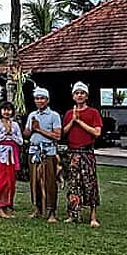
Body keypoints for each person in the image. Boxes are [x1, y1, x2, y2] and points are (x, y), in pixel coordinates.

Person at [62, 81, 103, 227]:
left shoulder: (93, 113)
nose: (79, 95)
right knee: (73, 185)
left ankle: (93, 216)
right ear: (73, 96)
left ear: (86, 96)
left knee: (90, 184)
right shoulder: (69, 113)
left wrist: (79, 122)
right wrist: (72, 121)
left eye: (82, 93)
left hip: (86, 153)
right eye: (77, 93)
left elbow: (97, 132)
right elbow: (62, 133)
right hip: (72, 153)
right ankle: (73, 214)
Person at [24, 87, 62, 222]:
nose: (39, 101)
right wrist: (30, 129)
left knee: (49, 181)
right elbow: (27, 133)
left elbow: (57, 135)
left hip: (48, 152)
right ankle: (38, 208)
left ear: (47, 100)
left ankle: (51, 211)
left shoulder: (54, 116)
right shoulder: (32, 115)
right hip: (34, 152)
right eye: (37, 98)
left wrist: (39, 129)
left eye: (42, 98)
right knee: (35, 181)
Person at [0, 101, 22, 218]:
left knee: (11, 182)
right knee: (1, 182)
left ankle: (8, 206)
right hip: (1, 157)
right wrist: (4, 134)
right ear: (1, 111)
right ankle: (0, 208)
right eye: (4, 109)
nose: (7, 112)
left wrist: (11, 135)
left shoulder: (16, 125)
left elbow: (20, 141)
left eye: (9, 110)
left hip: (12, 156)